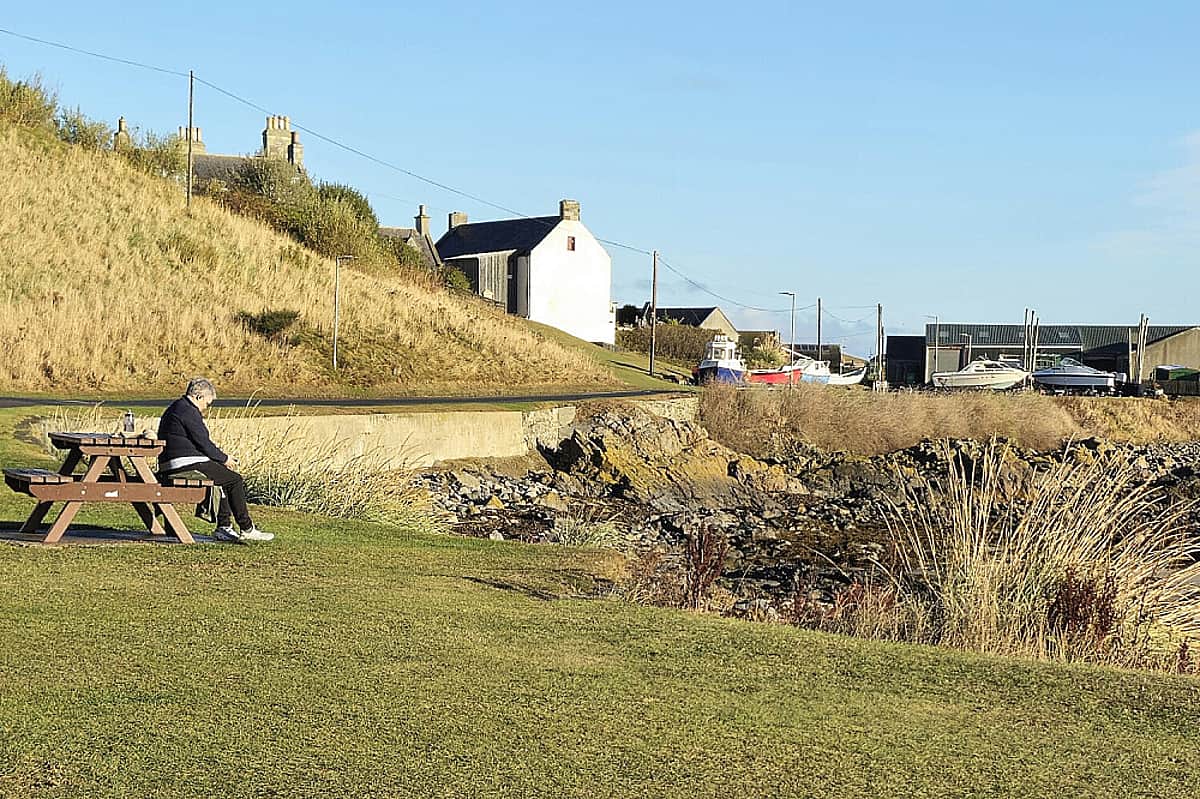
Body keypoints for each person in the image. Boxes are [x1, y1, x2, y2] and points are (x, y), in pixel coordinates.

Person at [157, 377, 273, 543]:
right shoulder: (188, 411)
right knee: (234, 480)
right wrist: (224, 459)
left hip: (174, 462)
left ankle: (224, 527)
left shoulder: (177, 407)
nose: (206, 408)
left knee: (223, 478)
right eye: (207, 403)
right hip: (183, 463)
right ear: (198, 397)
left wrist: (219, 461)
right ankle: (247, 528)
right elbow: (204, 442)